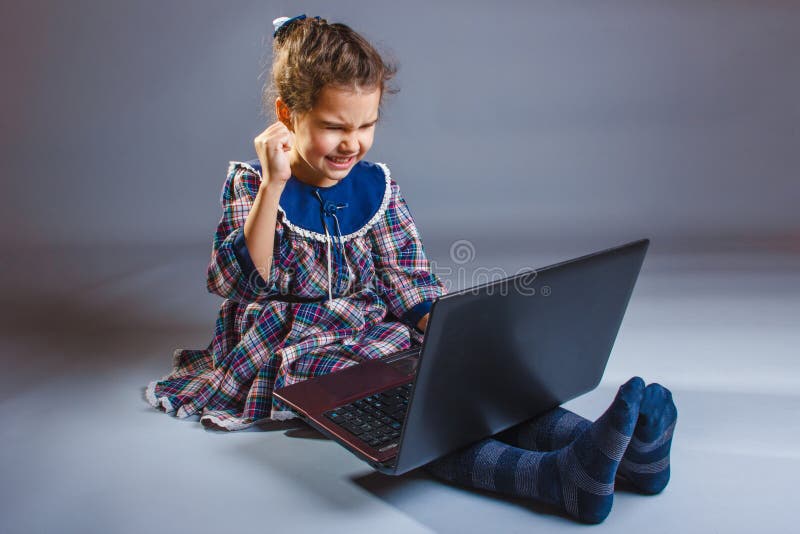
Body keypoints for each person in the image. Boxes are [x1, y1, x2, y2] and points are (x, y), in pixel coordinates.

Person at [145, 14, 677, 524]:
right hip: (292, 346)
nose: (352, 143)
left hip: (368, 334)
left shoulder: (375, 187)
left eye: (367, 124)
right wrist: (273, 184)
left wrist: (457, 339)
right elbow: (237, 282)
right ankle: (553, 479)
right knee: (411, 421)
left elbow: (408, 281)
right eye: (334, 127)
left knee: (457, 383)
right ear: (287, 117)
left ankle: (629, 458)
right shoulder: (254, 185)